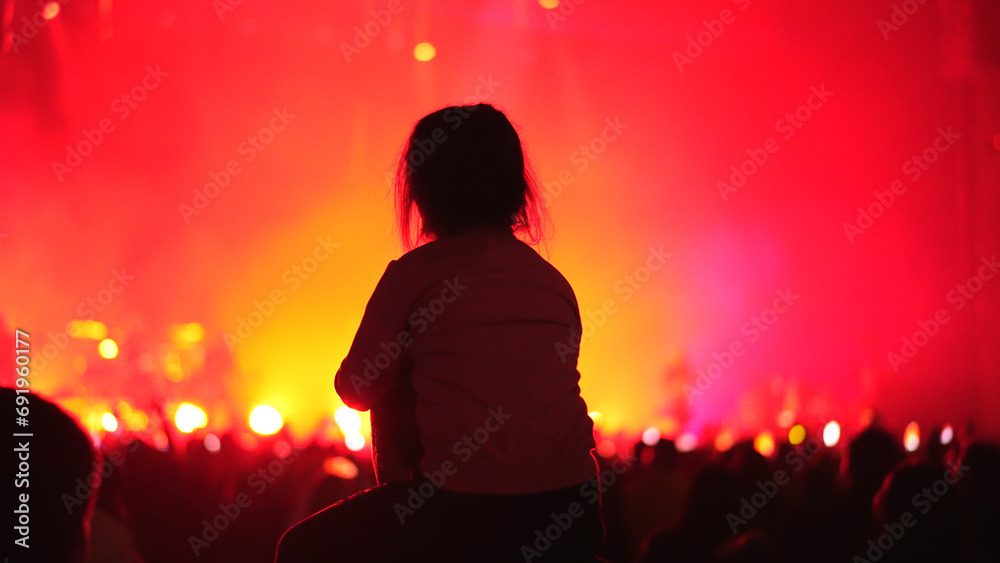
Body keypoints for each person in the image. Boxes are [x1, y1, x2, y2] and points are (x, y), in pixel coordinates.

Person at [276, 104, 602, 562]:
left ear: (424, 190)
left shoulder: (414, 274)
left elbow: (356, 389)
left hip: (460, 512)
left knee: (299, 549)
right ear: (516, 186)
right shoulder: (553, 282)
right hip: (575, 510)